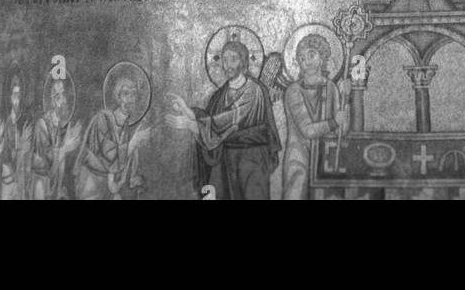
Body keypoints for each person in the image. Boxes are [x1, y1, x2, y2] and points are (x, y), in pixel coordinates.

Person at [168, 39, 282, 199]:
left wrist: (193, 125)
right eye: (225, 59)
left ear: (243, 62)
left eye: (233, 59)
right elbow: (211, 119)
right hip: (225, 162)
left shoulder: (254, 90)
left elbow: (227, 120)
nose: (228, 65)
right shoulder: (220, 95)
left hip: (251, 161)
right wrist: (188, 111)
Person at [282, 35, 346, 199]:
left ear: (322, 56)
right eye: (302, 58)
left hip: (325, 157)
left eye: (311, 55)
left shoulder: (331, 87)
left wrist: (348, 100)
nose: (307, 61)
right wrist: (334, 122)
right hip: (299, 158)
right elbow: (307, 130)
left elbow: (342, 131)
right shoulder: (293, 91)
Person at [74, 71, 146, 200]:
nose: (130, 98)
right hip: (91, 184)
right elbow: (109, 154)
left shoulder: (125, 129)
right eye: (125, 93)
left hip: (108, 187)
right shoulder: (102, 119)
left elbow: (120, 167)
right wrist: (133, 143)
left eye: (133, 94)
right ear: (118, 97)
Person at [30, 76, 83, 200]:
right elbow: (47, 161)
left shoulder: (69, 125)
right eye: (58, 96)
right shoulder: (42, 124)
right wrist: (65, 148)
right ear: (52, 101)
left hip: (65, 187)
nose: (63, 101)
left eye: (64, 95)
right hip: (45, 185)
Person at [0, 71, 30, 200]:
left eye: (19, 95)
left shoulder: (26, 121)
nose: (17, 98)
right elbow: (1, 148)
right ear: (10, 97)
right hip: (7, 175)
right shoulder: (5, 121)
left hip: (21, 175)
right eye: (15, 95)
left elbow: (26, 147)